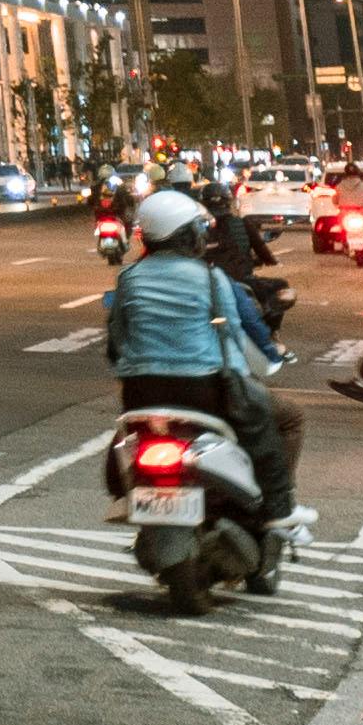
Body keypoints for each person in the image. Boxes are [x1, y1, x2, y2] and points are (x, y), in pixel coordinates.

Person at [100, 185, 292, 527]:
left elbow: (117, 338)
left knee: (123, 441)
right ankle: (278, 511)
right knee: (280, 419)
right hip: (204, 390)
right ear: (187, 235)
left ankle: (124, 495)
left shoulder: (128, 278)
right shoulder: (210, 277)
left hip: (140, 393)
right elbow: (232, 333)